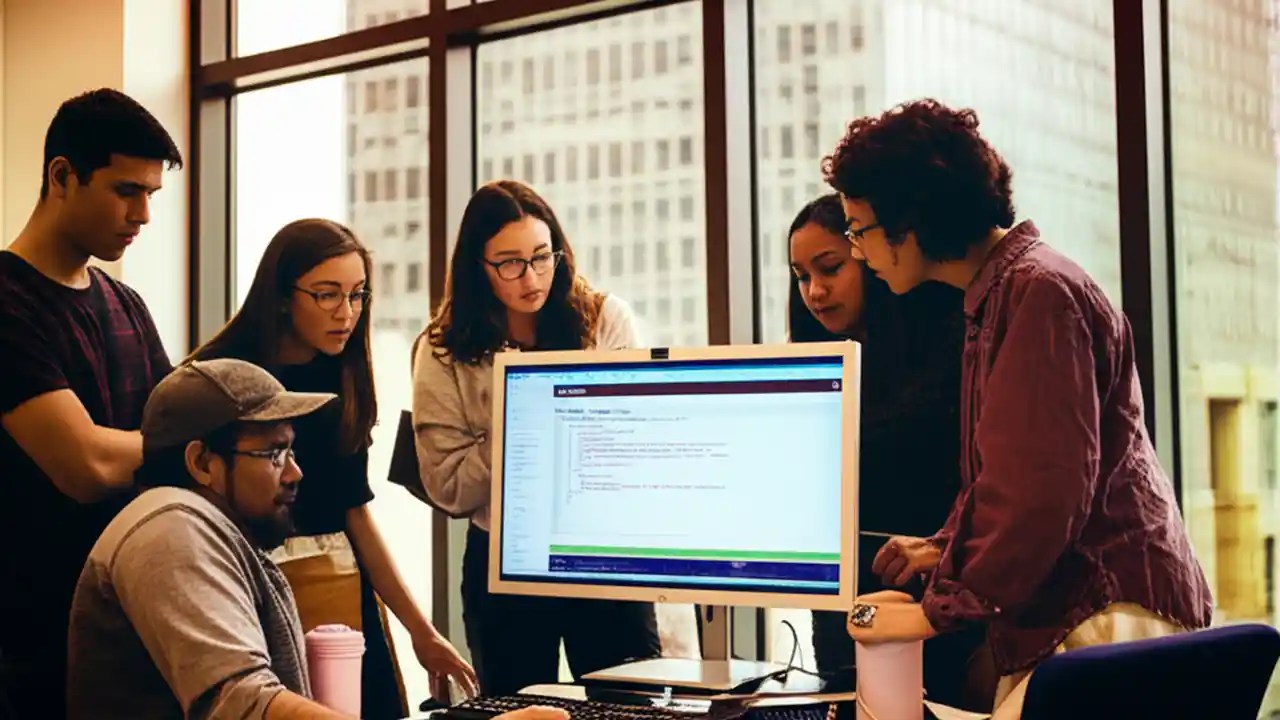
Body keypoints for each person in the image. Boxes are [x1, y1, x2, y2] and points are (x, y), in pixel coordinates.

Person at [826, 99, 1213, 718]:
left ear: (909, 220)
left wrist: (934, 613)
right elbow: (1015, 474)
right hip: (1086, 616)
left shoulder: (1039, 294)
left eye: (858, 229)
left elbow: (1043, 493)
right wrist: (947, 546)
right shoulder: (1006, 292)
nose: (856, 250)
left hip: (1105, 620)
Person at [66, 358, 563, 720]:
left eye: (291, 452)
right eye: (274, 454)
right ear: (201, 463)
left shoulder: (207, 529)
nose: (295, 473)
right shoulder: (171, 529)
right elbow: (244, 705)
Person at [188, 219, 475, 718]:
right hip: (249, 589)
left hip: (339, 587)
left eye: (357, 295)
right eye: (326, 295)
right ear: (283, 296)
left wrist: (421, 631)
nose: (346, 313)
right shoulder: (220, 377)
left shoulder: (344, 370)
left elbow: (354, 511)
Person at [412, 180, 661, 695]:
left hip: (604, 548)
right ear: (477, 266)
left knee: (630, 703)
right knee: (514, 707)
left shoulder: (604, 318)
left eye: (542, 257)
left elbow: (630, 448)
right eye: (510, 263)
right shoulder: (443, 349)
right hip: (504, 558)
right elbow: (448, 488)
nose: (531, 277)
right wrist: (522, 419)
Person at [0, 88, 182, 718]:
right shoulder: (8, 302)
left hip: (128, 629)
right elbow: (85, 466)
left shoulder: (125, 303)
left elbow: (179, 431)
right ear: (61, 176)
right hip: (30, 648)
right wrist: (183, 449)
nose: (143, 215)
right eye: (126, 191)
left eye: (151, 195)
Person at [786, 194, 988, 709]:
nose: (815, 291)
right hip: (842, 602)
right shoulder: (816, 370)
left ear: (870, 257)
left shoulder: (944, 350)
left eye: (830, 268)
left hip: (934, 595)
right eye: (801, 277)